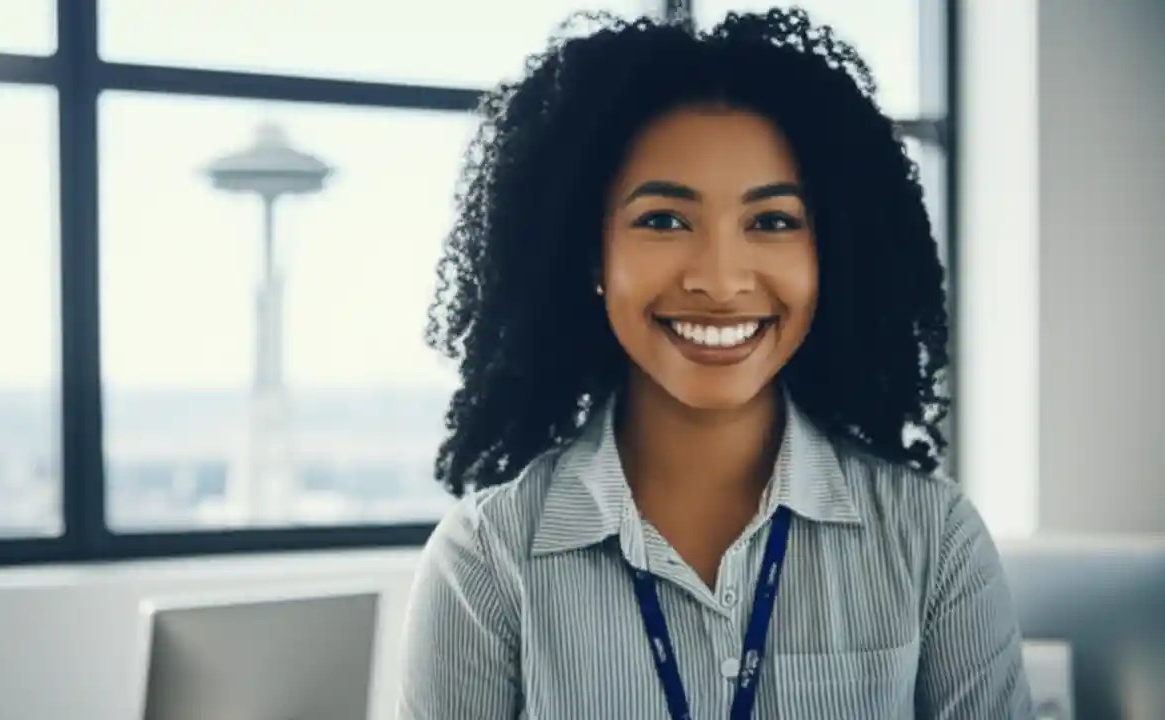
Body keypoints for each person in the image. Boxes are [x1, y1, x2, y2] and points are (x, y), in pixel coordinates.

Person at [397, 7, 1032, 719]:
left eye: (772, 222)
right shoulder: (487, 561)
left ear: (832, 255)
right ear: (589, 253)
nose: (722, 280)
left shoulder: (932, 540)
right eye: (663, 220)